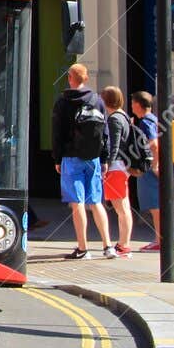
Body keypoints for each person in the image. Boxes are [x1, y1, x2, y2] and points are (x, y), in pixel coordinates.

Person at [51, 63, 116, 259]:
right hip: (93, 157)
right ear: (86, 78)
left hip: (71, 157)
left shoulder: (63, 101)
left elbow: (57, 133)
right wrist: (104, 158)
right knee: (96, 202)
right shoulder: (97, 100)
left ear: (70, 78)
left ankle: (83, 248)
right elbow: (105, 133)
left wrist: (57, 158)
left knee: (77, 203)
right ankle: (108, 246)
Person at [99, 86, 135, 257]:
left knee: (121, 208)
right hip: (122, 166)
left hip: (115, 167)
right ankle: (123, 243)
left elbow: (113, 145)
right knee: (124, 207)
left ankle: (124, 245)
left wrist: (106, 164)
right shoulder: (124, 116)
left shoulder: (114, 119)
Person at [129, 91, 163, 251]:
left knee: (155, 205)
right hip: (152, 165)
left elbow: (153, 144)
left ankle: (159, 239)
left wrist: (155, 165)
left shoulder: (146, 122)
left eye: (132, 103)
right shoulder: (153, 119)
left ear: (137, 104)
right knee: (156, 204)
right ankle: (160, 238)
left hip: (149, 167)